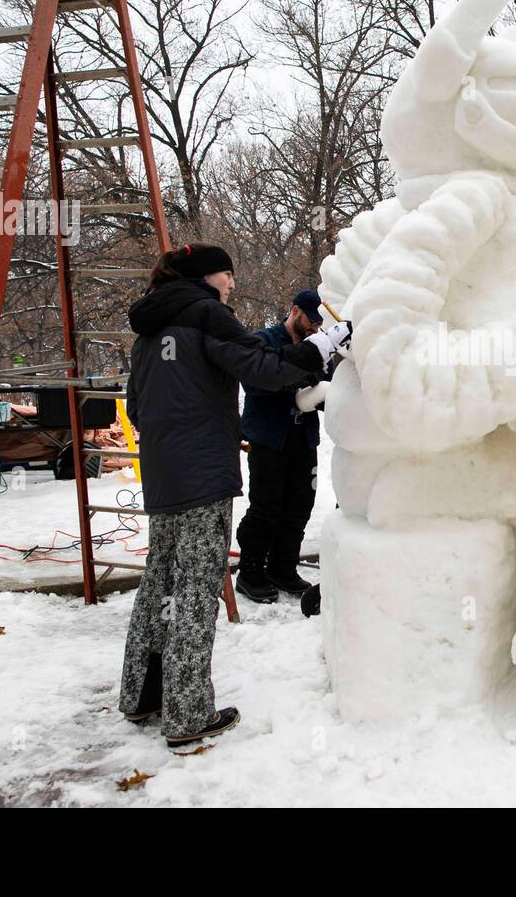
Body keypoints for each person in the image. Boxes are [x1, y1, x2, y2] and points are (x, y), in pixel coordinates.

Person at [118, 244, 350, 750]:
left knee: (160, 580)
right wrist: (324, 345)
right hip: (203, 477)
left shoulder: (150, 329)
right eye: (227, 275)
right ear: (206, 276)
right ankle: (187, 715)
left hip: (163, 475)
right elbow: (262, 369)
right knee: (199, 589)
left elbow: (134, 407)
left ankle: (141, 694)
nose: (231, 285)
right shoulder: (205, 316)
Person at [234, 289, 333, 602]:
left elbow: (325, 380)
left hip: (302, 439)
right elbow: (258, 381)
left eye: (319, 325)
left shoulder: (316, 345)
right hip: (269, 438)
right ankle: (250, 572)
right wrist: (301, 387)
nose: (315, 329)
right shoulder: (264, 341)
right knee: (266, 506)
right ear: (294, 311)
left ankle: (282, 567)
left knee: (299, 504)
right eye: (311, 321)